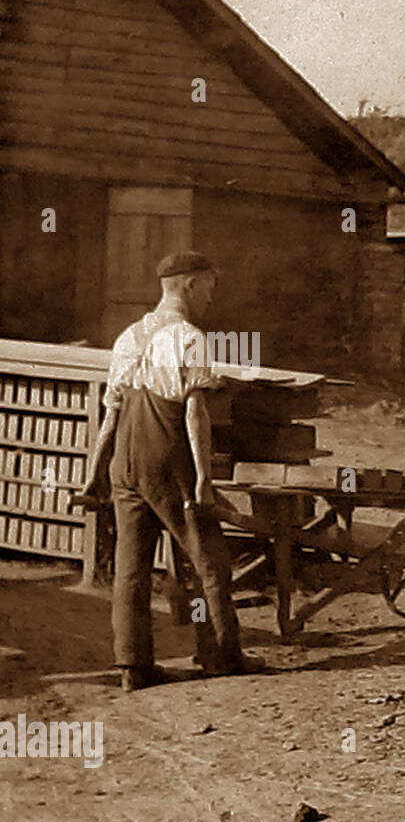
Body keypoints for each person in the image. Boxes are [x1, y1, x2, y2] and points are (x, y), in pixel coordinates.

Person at [79, 251, 255, 691]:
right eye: (210, 285)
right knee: (207, 557)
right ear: (190, 285)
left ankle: (133, 666)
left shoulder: (128, 337)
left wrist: (95, 473)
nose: (212, 296)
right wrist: (203, 479)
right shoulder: (188, 338)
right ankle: (221, 657)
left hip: (124, 459)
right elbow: (195, 414)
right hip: (165, 454)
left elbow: (111, 416)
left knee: (131, 567)